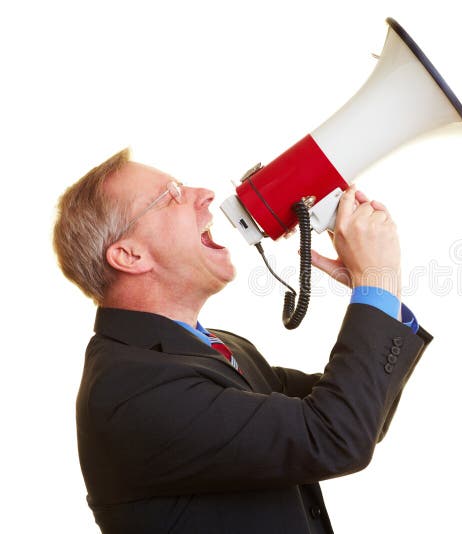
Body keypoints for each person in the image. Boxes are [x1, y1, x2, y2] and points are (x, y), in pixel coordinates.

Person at [52, 148, 432, 534]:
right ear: (129, 255)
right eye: (170, 195)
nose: (204, 194)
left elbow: (359, 413)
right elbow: (335, 434)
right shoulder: (130, 390)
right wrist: (374, 282)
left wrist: (380, 290)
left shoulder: (220, 348)